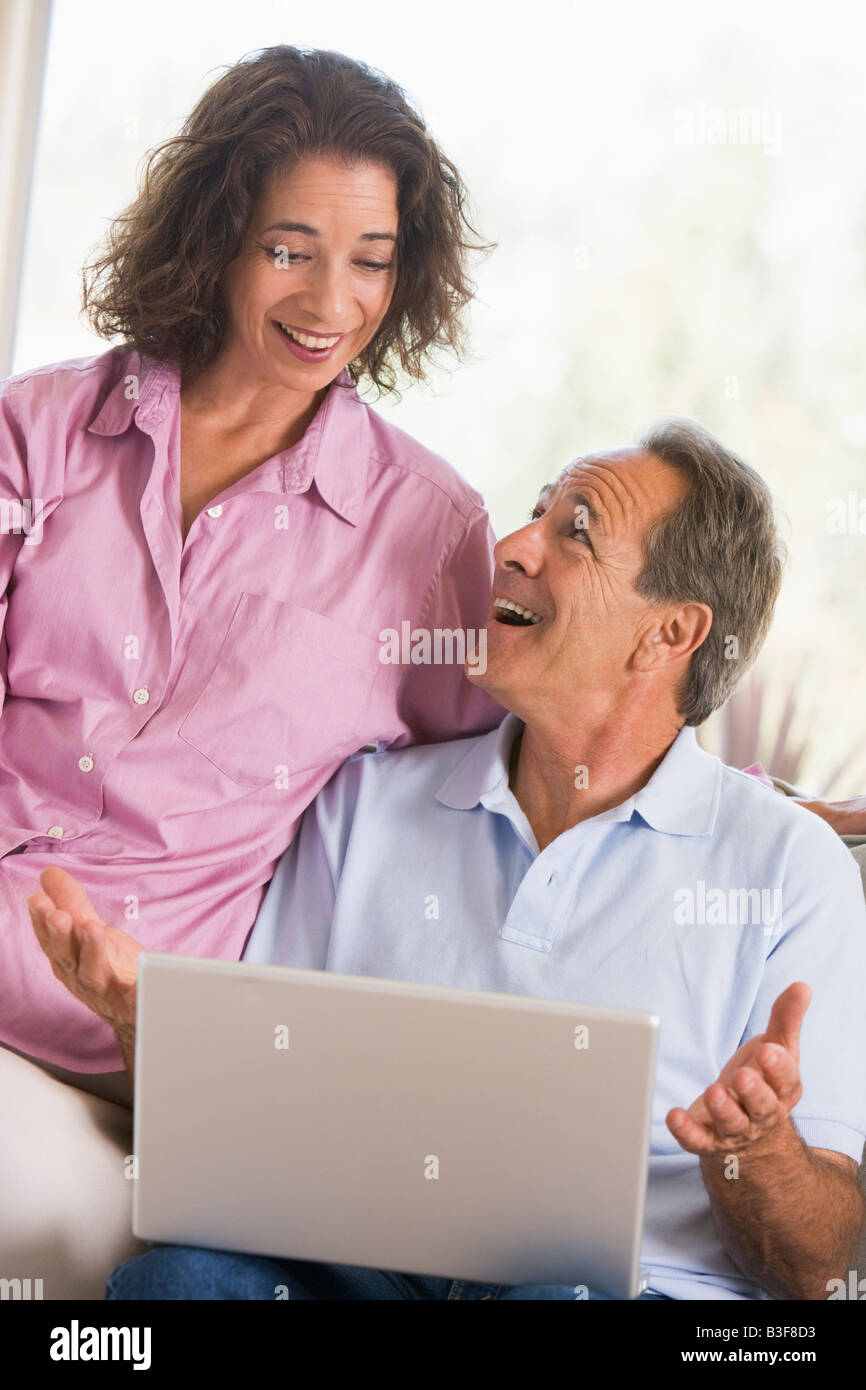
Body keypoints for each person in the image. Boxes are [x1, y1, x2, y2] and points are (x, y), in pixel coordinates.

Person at [33, 418, 866, 1300]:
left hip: (615, 1295)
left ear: (670, 635)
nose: (511, 546)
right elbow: (255, 1118)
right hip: (359, 1267)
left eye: (574, 530)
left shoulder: (790, 868)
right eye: (535, 513)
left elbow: (824, 1266)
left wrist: (757, 1151)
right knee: (180, 1284)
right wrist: (142, 1027)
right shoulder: (365, 804)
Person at [0, 43, 505, 1110]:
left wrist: (748, 801)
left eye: (370, 259)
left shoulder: (425, 535)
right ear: (216, 237)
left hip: (106, 1050)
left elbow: (506, 772)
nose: (332, 300)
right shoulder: (40, 431)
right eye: (290, 249)